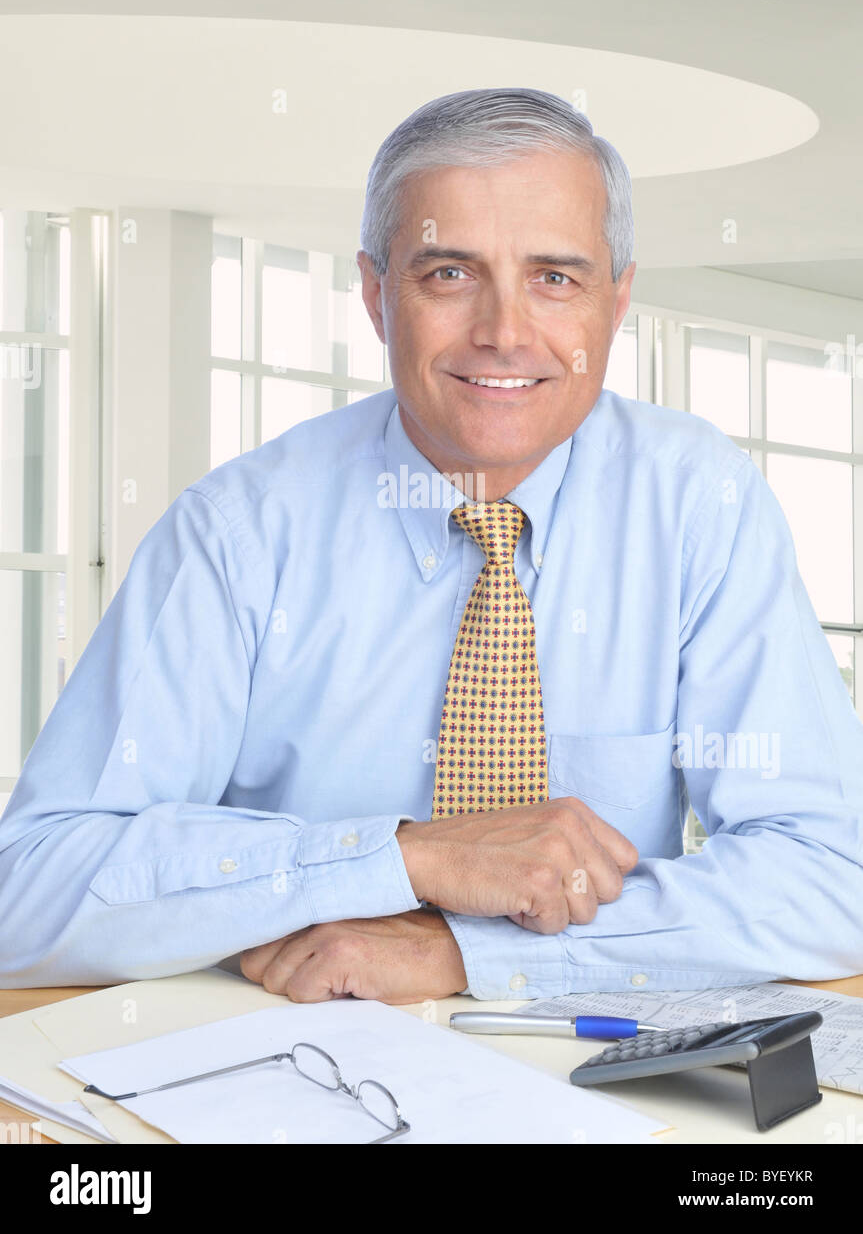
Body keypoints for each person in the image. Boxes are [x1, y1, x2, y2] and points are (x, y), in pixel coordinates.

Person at [1, 88, 861, 1004]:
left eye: (555, 278)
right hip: (291, 1074)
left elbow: (830, 873)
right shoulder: (239, 532)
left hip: (597, 1088)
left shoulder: (698, 505)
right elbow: (32, 894)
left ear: (617, 302)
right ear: (376, 296)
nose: (502, 332)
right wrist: (402, 859)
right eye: (448, 274)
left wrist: (463, 951)